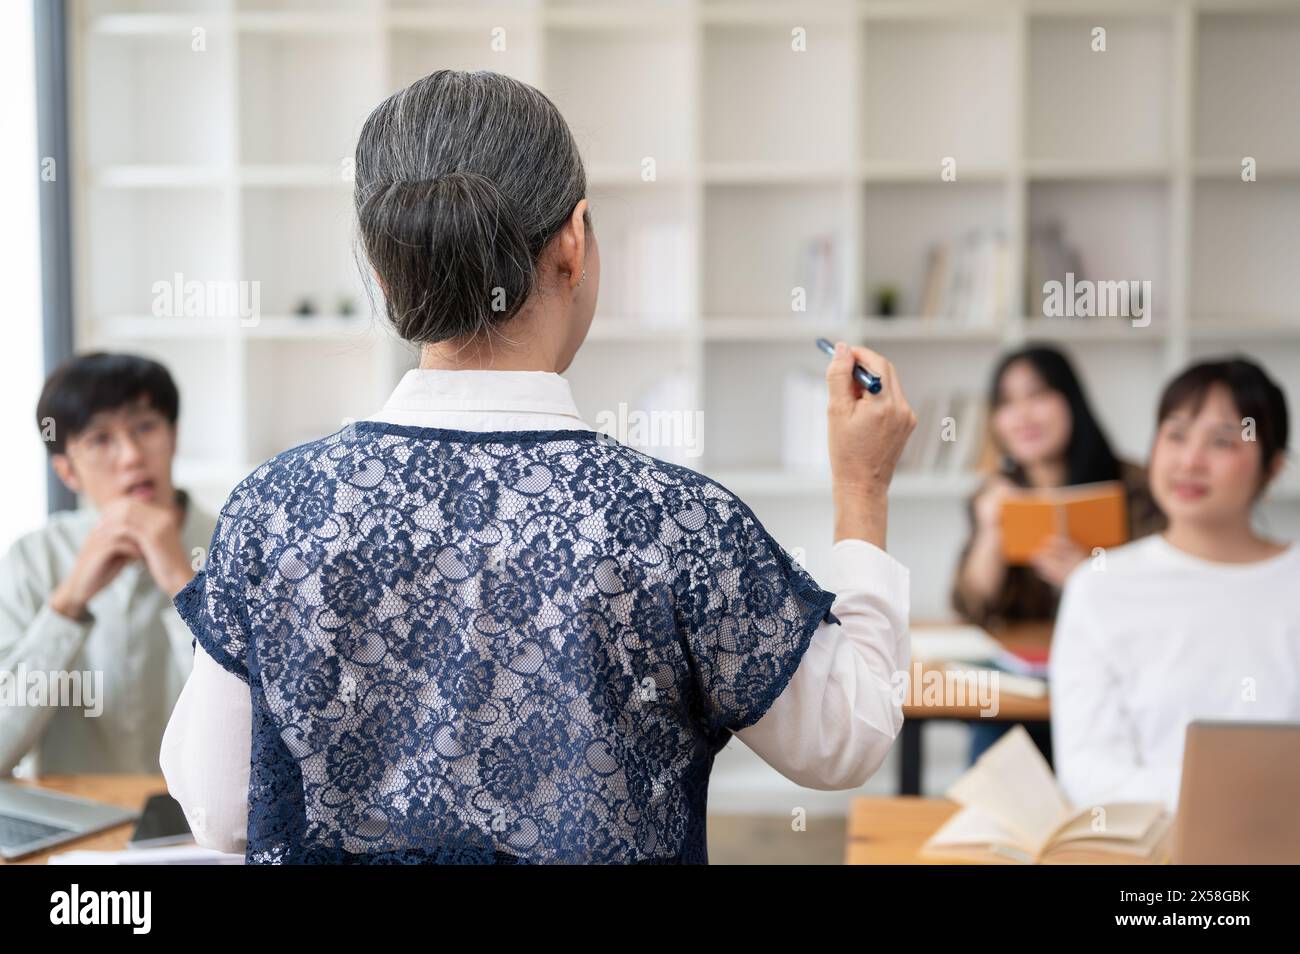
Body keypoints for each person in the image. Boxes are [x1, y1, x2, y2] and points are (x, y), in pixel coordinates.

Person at [160, 69, 918, 864]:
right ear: (574, 242)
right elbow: (845, 738)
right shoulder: (675, 522)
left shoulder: (273, 509)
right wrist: (862, 489)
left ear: (382, 275)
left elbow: (219, 809)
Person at [1051, 357, 1298, 811]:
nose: (1190, 461)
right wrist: (1230, 796)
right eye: (1176, 434)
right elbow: (1088, 774)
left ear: (1272, 467)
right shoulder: (1099, 587)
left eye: (1223, 441)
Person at [0, 353, 216, 774]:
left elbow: (258, 731)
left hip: (202, 832)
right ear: (67, 472)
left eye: (146, 428)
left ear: (173, 437)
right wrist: (68, 602)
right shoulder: (33, 558)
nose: (132, 455)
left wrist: (180, 581)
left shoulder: (235, 544)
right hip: (73, 825)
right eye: (100, 440)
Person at [950, 346, 1165, 763]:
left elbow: (1162, 594)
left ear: (1071, 401)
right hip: (1021, 691)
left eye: (1038, 395)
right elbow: (972, 607)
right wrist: (992, 532)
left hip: (1117, 681)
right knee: (996, 762)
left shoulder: (1135, 486)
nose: (1023, 415)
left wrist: (1091, 577)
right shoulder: (993, 495)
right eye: (1008, 402)